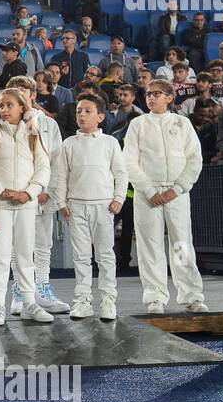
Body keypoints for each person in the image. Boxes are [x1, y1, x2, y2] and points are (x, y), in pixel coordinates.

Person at [122, 80, 208, 314]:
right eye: (148, 94)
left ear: (170, 97)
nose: (150, 98)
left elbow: (194, 159)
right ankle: (155, 298)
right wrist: (148, 190)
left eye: (156, 94)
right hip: (146, 194)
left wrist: (178, 188)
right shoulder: (138, 124)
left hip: (176, 193)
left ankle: (191, 296)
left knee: (181, 243)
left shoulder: (182, 123)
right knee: (149, 246)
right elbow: (128, 161)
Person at [0, 87, 54, 327]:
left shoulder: (33, 135)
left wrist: (29, 193)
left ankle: (30, 303)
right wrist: (1, 191)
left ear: (23, 107)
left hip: (25, 205)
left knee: (24, 254)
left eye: (10, 105)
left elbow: (43, 167)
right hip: (0, 204)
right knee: (0, 256)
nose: (5, 109)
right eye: (2, 105)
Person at [50, 93, 128, 322]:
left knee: (105, 255)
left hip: (103, 206)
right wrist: (62, 203)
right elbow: (61, 175)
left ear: (100, 117)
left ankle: (108, 300)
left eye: (87, 111)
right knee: (81, 257)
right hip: (76, 207)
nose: (81, 115)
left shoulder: (110, 143)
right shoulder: (69, 144)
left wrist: (118, 199)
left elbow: (121, 173)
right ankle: (83, 301)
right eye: (79, 111)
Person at [5, 75, 69, 315]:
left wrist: (46, 190)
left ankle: (42, 287)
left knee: (43, 243)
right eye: (15, 92)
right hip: (18, 194)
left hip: (42, 194)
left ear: (33, 95)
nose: (21, 95)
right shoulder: (6, 122)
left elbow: (55, 160)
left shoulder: (48, 124)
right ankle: (20, 291)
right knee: (19, 244)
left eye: (24, 91)